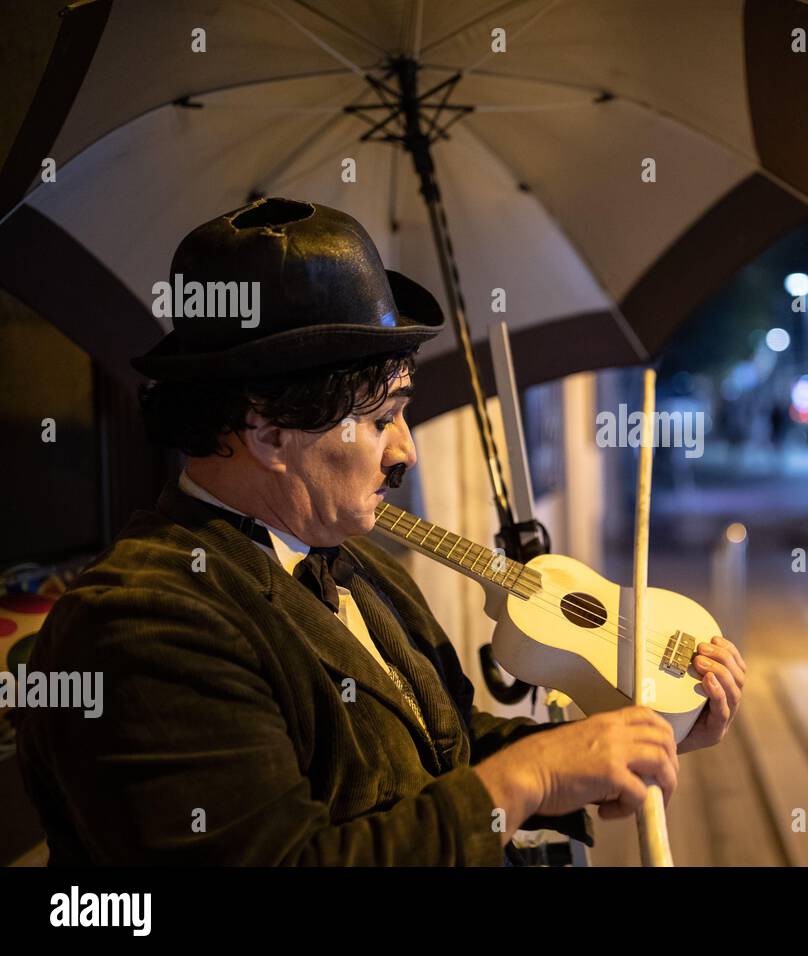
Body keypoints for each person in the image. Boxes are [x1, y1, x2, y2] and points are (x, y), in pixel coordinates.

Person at [15, 197, 746, 866]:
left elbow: (445, 754)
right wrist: (533, 776)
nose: (406, 451)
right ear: (267, 430)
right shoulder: (140, 624)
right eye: (380, 419)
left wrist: (630, 742)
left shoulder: (362, 567)